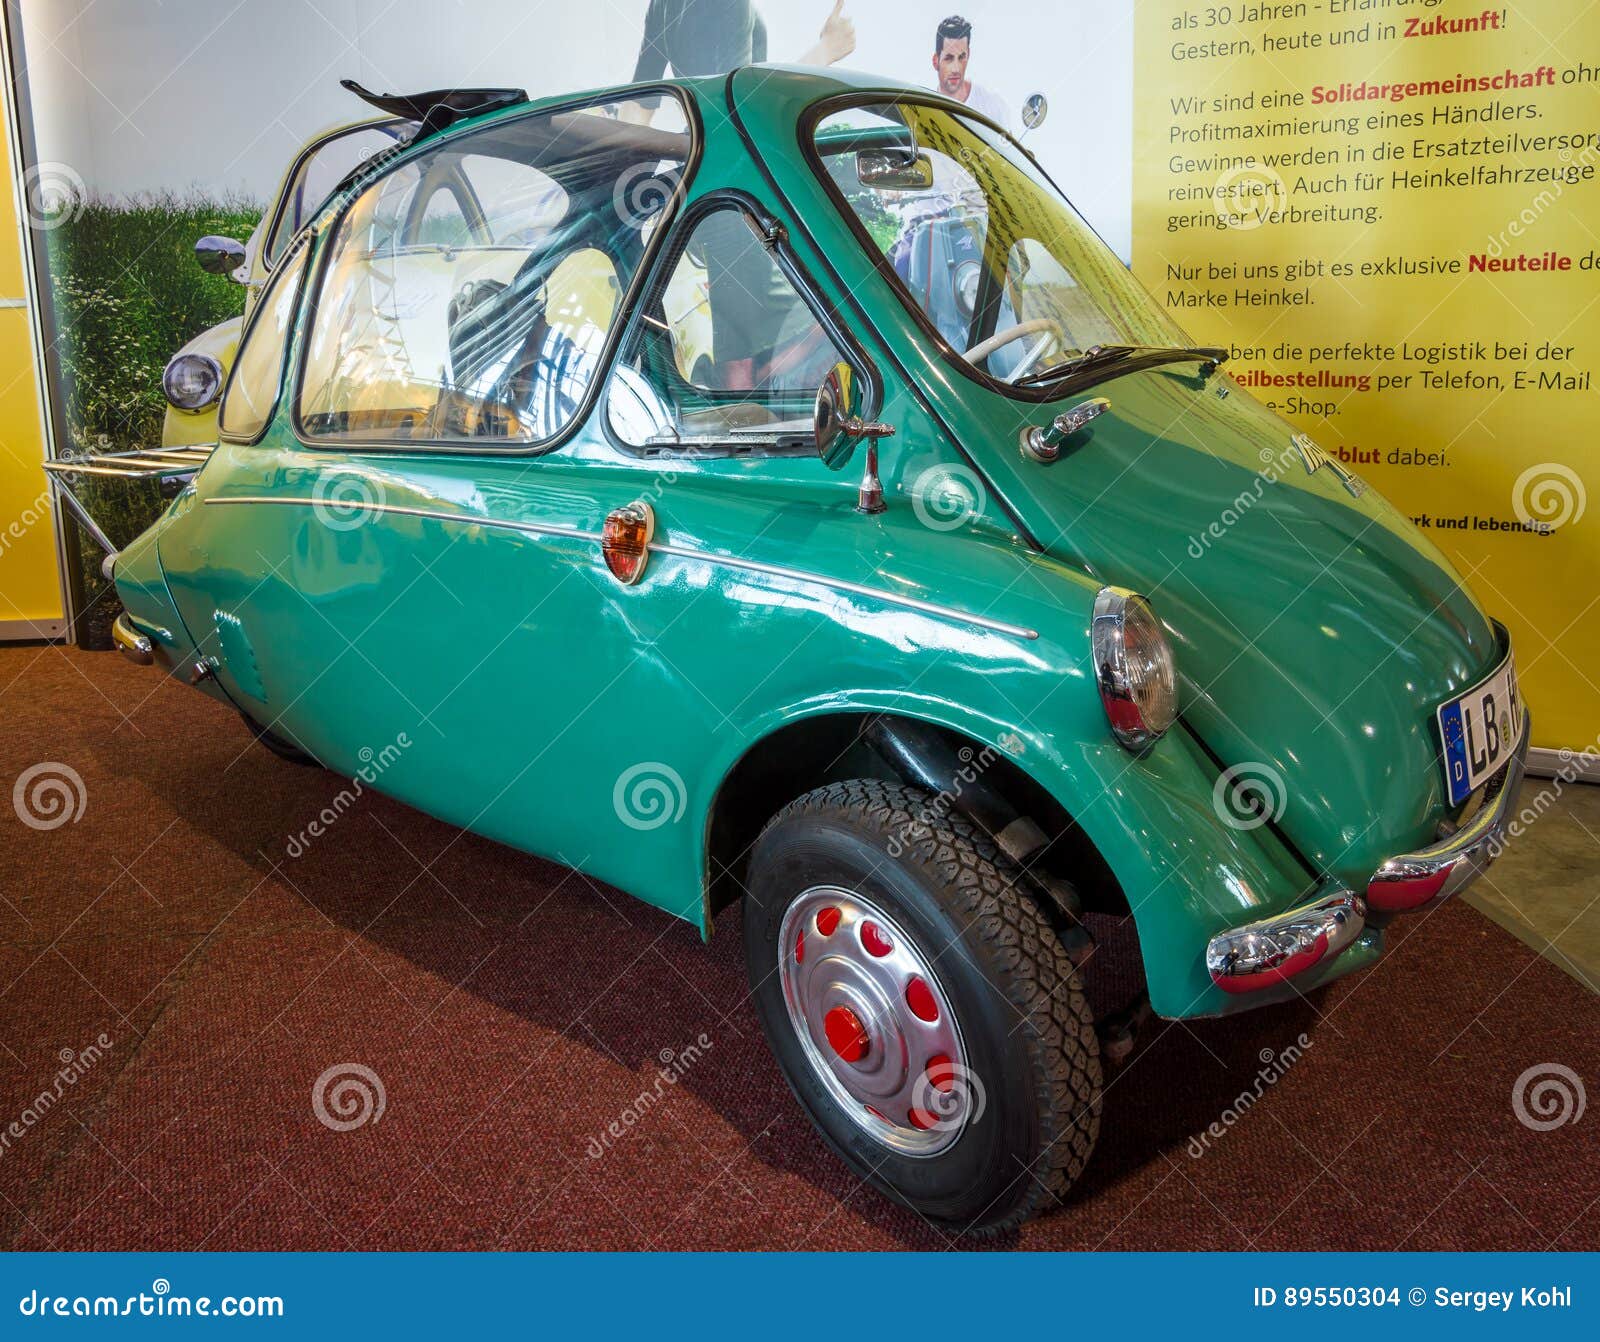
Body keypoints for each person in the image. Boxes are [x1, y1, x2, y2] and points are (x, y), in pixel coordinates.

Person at [930, 14, 1011, 132]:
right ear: (936, 61)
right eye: (949, 58)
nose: (956, 69)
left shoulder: (993, 105)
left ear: (968, 55)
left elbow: (1006, 148)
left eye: (961, 57)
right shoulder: (927, 111)